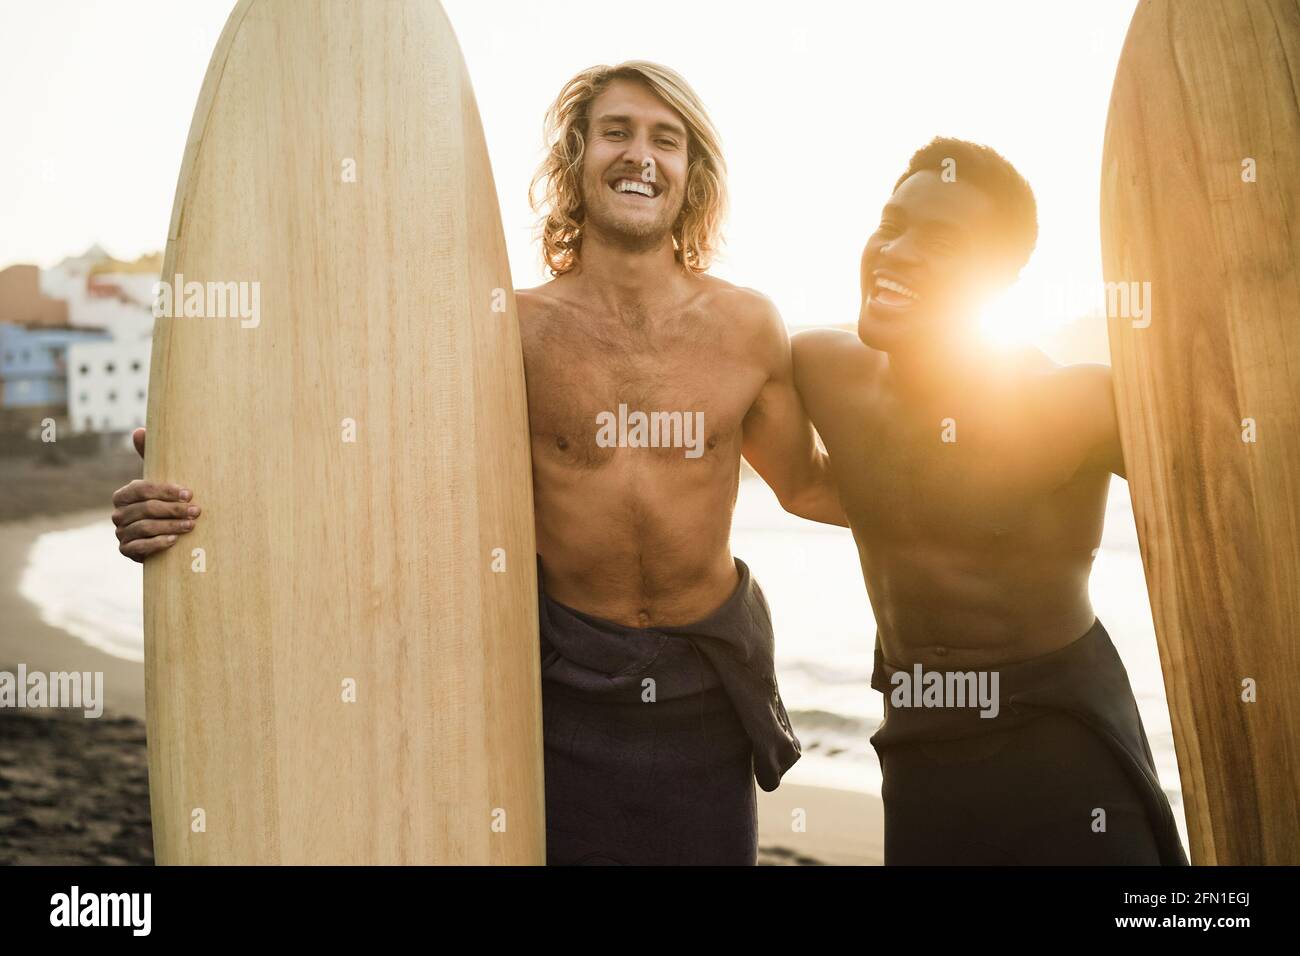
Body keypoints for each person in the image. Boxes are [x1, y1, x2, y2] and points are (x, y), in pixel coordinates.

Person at [112, 61, 846, 866]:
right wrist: (198, 477)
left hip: (705, 693)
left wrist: (976, 507)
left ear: (692, 173)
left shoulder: (748, 326)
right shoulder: (509, 329)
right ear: (575, 158)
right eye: (616, 133)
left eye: (665, 140)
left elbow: (810, 485)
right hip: (557, 691)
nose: (641, 155)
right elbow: (369, 464)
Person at [792, 137, 1186, 865]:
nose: (897, 251)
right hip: (917, 730)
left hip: (1060, 737)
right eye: (890, 225)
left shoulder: (1074, 403)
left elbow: (1224, 507)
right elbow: (804, 486)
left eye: (940, 241)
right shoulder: (820, 370)